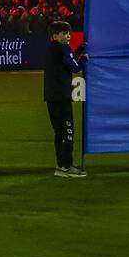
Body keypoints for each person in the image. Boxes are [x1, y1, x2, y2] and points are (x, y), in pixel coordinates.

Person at [44, 20, 86, 178]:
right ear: (55, 36)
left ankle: (60, 165)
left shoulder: (52, 49)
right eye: (64, 34)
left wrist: (79, 51)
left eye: (68, 33)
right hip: (61, 96)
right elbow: (75, 67)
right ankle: (66, 166)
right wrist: (84, 59)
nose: (68, 36)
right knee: (68, 131)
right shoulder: (62, 48)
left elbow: (67, 62)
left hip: (51, 97)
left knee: (59, 132)